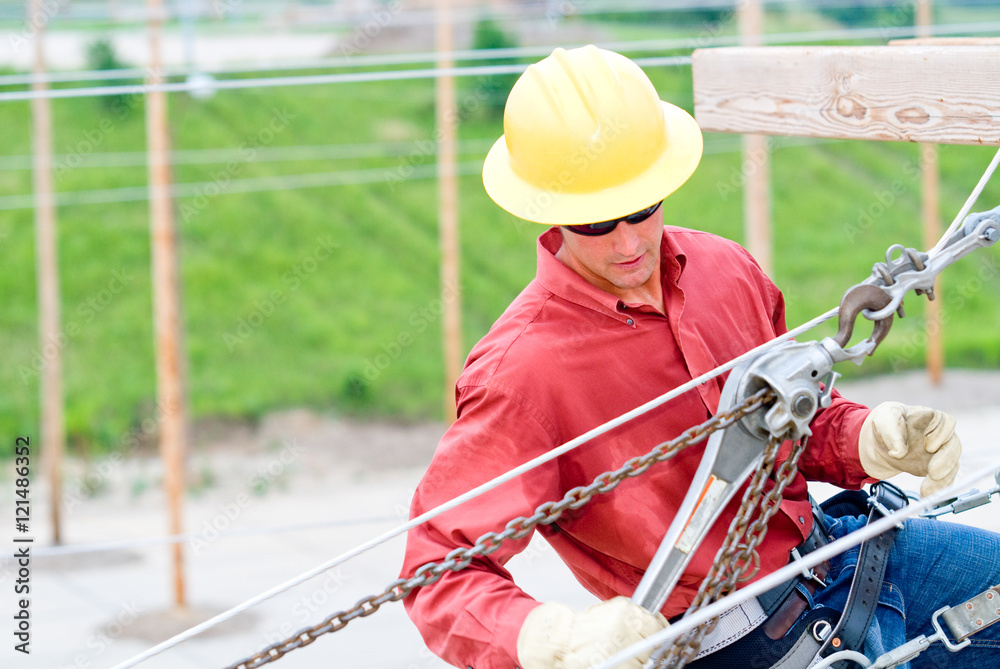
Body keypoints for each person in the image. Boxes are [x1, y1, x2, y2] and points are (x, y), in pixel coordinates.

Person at [400, 45, 1000, 669]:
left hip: (843, 556)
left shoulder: (724, 270)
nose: (629, 242)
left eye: (641, 209)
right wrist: (545, 640)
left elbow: (789, 418)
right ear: (550, 212)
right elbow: (437, 569)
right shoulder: (523, 371)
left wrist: (866, 436)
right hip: (728, 643)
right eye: (597, 225)